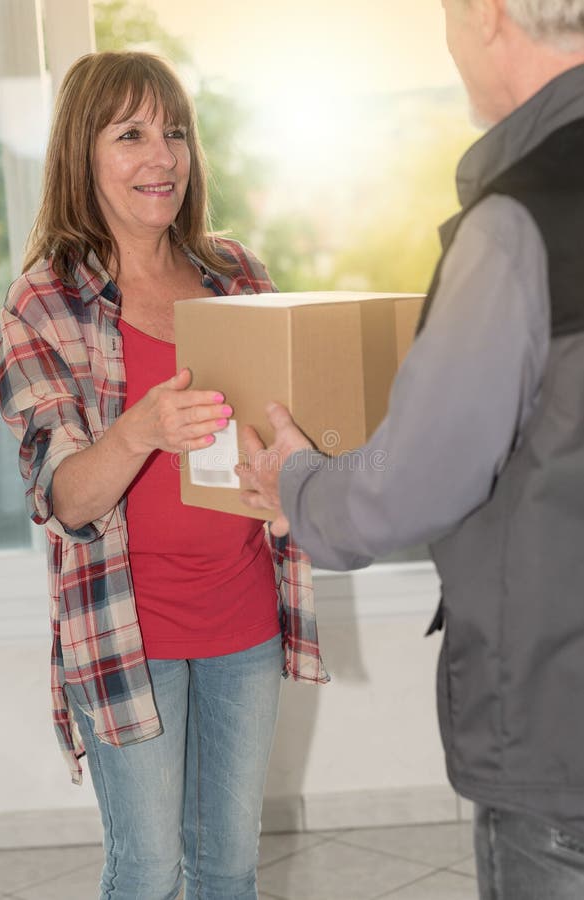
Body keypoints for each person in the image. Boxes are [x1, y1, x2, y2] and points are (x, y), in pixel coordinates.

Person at [237, 1, 584, 897]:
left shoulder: (522, 222)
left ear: (487, 16)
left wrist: (295, 481)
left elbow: (411, 487)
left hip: (561, 732)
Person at [0, 51, 327, 900]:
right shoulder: (44, 301)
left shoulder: (237, 276)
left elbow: (293, 434)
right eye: (132, 134)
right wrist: (138, 430)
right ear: (82, 155)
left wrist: (290, 492)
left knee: (228, 868)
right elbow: (65, 499)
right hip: (124, 632)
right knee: (145, 872)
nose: (163, 157)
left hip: (244, 617)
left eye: (174, 132)